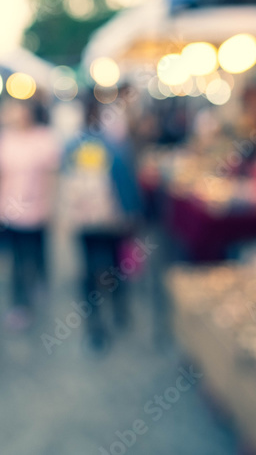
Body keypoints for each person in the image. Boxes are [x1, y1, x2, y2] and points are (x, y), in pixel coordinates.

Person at [64, 98, 142, 351]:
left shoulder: (72, 146)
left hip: (84, 221)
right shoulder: (115, 146)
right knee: (114, 265)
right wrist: (132, 213)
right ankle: (119, 310)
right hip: (111, 220)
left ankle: (95, 325)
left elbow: (66, 182)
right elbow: (126, 182)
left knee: (89, 271)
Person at [0, 97, 61, 330]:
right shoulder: (3, 139)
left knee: (36, 251)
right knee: (17, 260)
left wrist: (51, 204)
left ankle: (39, 282)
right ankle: (21, 303)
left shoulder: (44, 138)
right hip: (9, 209)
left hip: (36, 208)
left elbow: (52, 175)